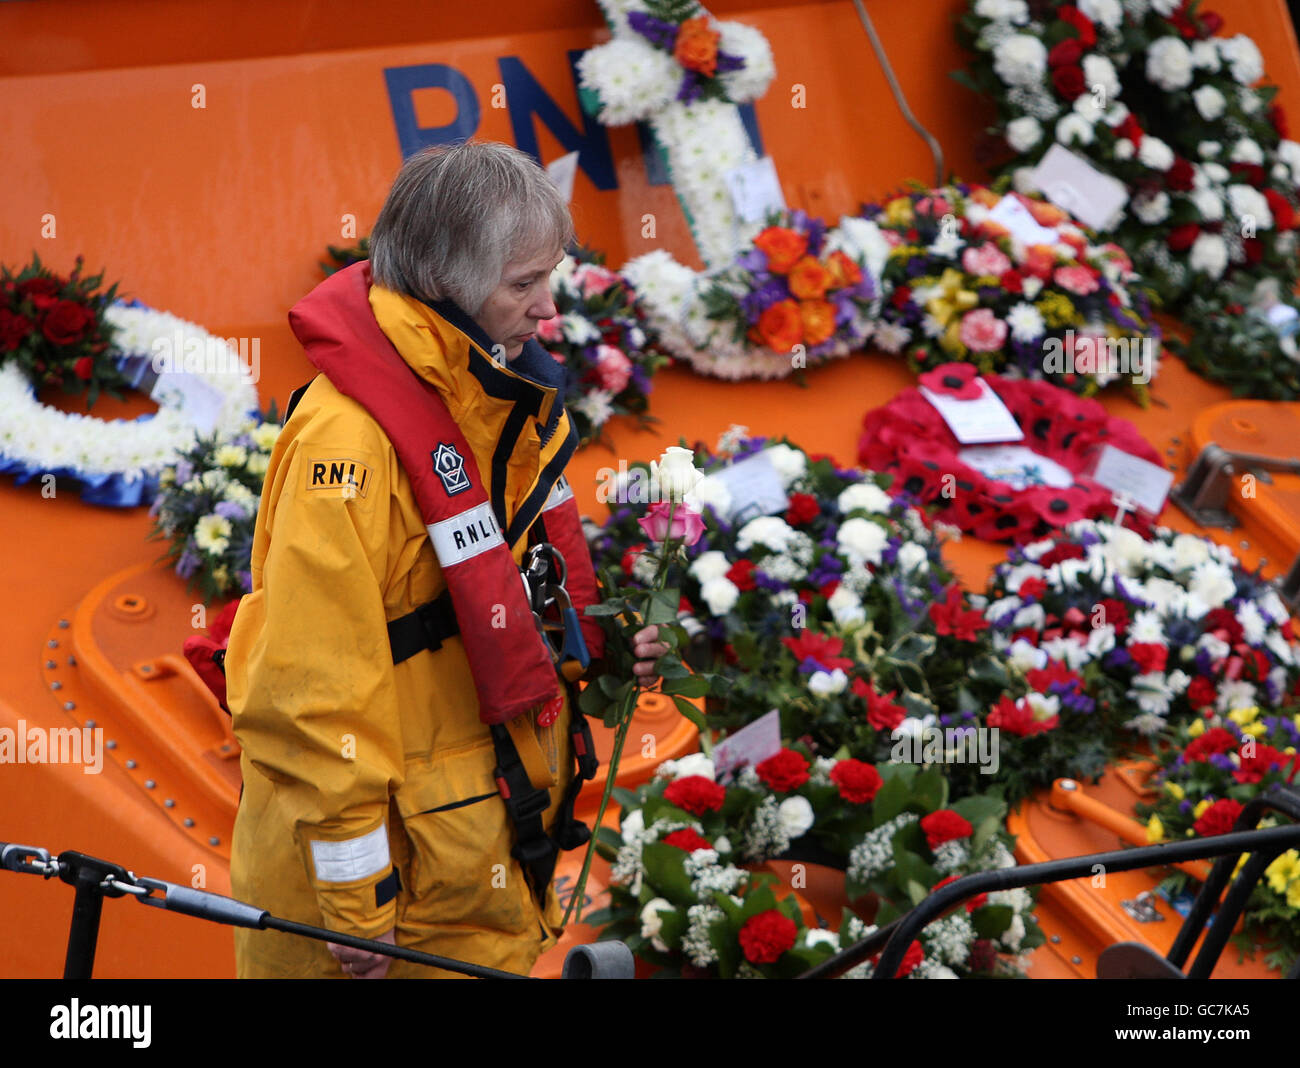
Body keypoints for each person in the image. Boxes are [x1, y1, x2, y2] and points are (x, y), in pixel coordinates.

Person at [224, 140, 667, 979]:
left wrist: (605, 643)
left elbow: (518, 581)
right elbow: (312, 699)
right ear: (446, 285)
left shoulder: (486, 398)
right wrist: (358, 915)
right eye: (523, 285)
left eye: (549, 279)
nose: (548, 312)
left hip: (467, 868)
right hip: (390, 913)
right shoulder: (349, 447)